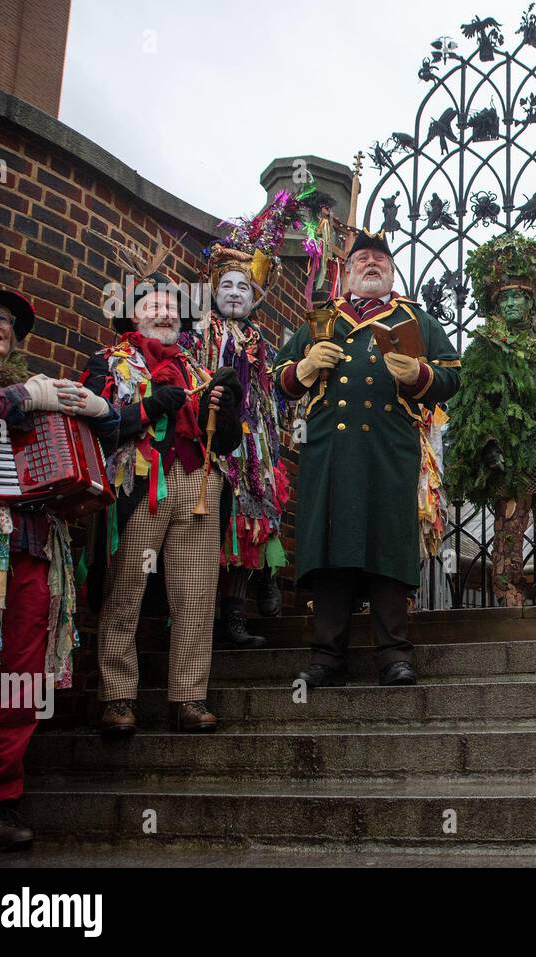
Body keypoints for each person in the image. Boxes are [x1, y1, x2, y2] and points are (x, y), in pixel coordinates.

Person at [0, 283, 120, 850]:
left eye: (4, 319)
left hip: (31, 550)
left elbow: (108, 443)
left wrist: (103, 413)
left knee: (17, 681)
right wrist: (21, 399)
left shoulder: (42, 390)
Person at [275, 229, 461, 688]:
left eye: (380, 259)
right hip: (329, 450)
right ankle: (326, 657)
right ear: (349, 270)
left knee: (386, 547)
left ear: (391, 270)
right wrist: (303, 366)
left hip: (388, 447)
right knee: (331, 549)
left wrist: (419, 374)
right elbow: (277, 380)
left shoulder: (414, 319)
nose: (371, 265)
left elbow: (453, 377)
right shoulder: (322, 319)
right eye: (363, 259)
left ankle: (394, 655)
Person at [82, 273, 243, 736]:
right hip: (137, 482)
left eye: (172, 307)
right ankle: (117, 697)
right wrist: (150, 410)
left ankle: (189, 698)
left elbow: (226, 442)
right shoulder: (107, 364)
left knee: (195, 597)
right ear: (134, 315)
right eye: (153, 305)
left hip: (198, 488)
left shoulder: (200, 371)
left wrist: (226, 407)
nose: (164, 312)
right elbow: (96, 428)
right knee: (125, 590)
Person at [444, 233, 536, 607]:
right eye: (505, 298)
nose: (512, 303)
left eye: (519, 297)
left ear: (530, 303)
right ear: (497, 305)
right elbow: (474, 404)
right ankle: (507, 588)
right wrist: (488, 445)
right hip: (512, 456)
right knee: (511, 524)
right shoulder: (487, 345)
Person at [198, 211, 294, 647]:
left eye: (244, 288)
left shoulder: (265, 345)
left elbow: (275, 399)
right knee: (214, 525)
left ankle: (239, 611)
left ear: (255, 298)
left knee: (253, 521)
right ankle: (201, 616)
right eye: (227, 286)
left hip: (256, 449)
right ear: (213, 292)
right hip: (213, 443)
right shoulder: (197, 335)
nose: (236, 294)